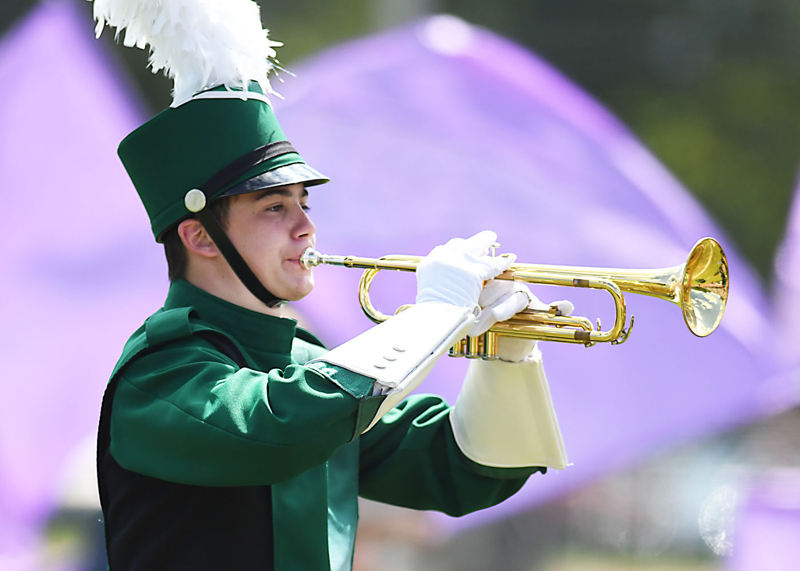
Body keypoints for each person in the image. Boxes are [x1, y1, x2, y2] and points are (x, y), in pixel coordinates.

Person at [92, 1, 569, 569]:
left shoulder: (309, 367)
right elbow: (276, 427)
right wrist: (434, 315)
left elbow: (466, 473)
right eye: (274, 207)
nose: (305, 227)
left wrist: (508, 357)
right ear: (199, 236)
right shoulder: (159, 373)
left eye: (304, 203)